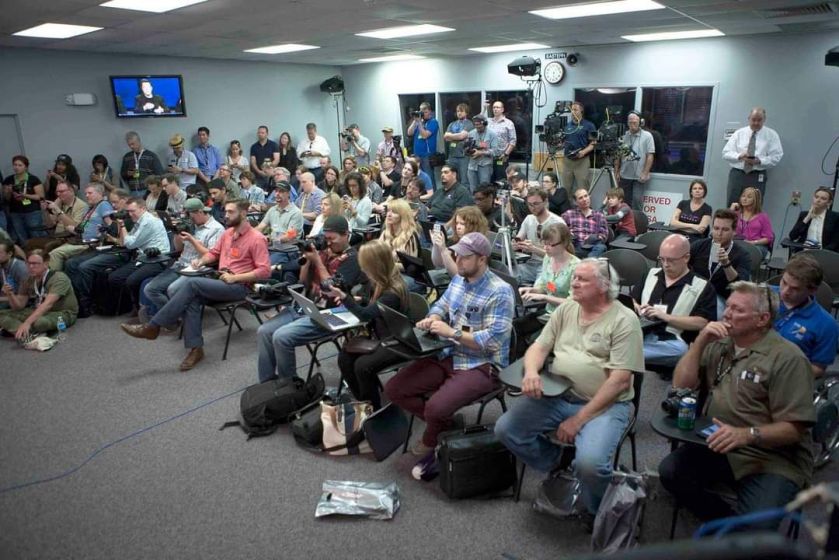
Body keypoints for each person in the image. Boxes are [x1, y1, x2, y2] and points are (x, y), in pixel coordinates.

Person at [495, 259, 644, 527]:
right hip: (559, 395)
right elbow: (539, 348)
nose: (574, 282)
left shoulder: (624, 320)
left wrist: (578, 421)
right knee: (506, 429)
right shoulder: (567, 308)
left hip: (605, 405)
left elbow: (620, 382)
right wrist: (531, 372)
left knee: (590, 464)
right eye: (574, 277)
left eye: (583, 279)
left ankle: (596, 510)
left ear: (603, 286)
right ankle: (558, 461)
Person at [659, 281, 814, 531]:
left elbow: (795, 429)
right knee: (671, 472)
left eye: (738, 310)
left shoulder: (788, 359)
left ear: (762, 319)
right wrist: (700, 342)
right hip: (717, 443)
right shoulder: (720, 344)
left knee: (758, 526)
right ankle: (727, 526)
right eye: (728, 306)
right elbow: (681, 386)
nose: (727, 314)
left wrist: (747, 435)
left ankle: (743, 535)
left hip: (770, 457)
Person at [385, 232, 515, 479]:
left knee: (435, 407)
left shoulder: (500, 291)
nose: (458, 260)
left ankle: (434, 434)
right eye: (457, 254)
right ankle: (444, 425)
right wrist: (434, 317)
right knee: (394, 389)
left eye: (465, 257)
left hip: (483, 363)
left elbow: (493, 342)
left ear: (482, 259)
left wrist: (451, 332)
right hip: (449, 352)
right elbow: (442, 305)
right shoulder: (459, 279)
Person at [121, 199, 271, 371]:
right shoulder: (228, 233)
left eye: (231, 212)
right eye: (225, 211)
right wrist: (201, 261)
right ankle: (196, 349)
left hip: (240, 286)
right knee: (192, 299)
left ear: (243, 213)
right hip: (220, 280)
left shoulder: (256, 238)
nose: (226, 215)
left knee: (192, 285)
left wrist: (236, 278)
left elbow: (265, 271)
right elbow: (214, 254)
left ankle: (153, 326)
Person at [256, 215, 362, 382]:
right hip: (306, 306)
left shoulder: (353, 258)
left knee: (281, 337)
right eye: (325, 238)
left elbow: (332, 288)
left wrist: (317, 261)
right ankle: (268, 384)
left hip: (329, 313)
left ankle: (289, 387)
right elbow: (303, 282)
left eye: (332, 238)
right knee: (264, 332)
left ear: (345, 235)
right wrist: (306, 261)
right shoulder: (322, 252)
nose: (328, 243)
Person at [335, 240, 411, 408]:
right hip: (384, 337)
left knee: (363, 366)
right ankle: (363, 401)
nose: (362, 269)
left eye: (365, 265)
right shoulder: (379, 282)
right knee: (345, 357)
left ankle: (372, 409)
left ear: (375, 265)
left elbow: (366, 315)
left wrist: (344, 297)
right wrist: (360, 299)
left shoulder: (393, 291)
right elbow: (373, 306)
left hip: (399, 342)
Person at [633, 234, 717, 366]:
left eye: (671, 260)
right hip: (641, 331)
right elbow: (632, 299)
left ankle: (626, 355)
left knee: (681, 350)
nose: (665, 265)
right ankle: (630, 355)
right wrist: (636, 307)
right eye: (662, 259)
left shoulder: (702, 285)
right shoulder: (650, 274)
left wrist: (666, 317)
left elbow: (702, 322)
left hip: (671, 340)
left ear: (686, 258)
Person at [142, 197, 225, 318]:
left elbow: (211, 255)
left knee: (172, 289)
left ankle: (170, 318)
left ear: (200, 212)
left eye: (191, 216)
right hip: (180, 265)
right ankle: (172, 317)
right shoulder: (191, 225)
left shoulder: (216, 229)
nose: (190, 220)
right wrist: (176, 233)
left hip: (198, 268)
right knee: (150, 289)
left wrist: (192, 240)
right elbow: (178, 249)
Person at [513, 222, 580, 358]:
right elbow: (546, 286)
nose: (546, 248)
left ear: (564, 243)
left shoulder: (576, 267)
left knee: (535, 342)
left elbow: (573, 303)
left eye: (551, 244)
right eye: (544, 243)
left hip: (566, 318)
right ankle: (517, 367)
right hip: (549, 313)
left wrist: (545, 298)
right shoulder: (548, 259)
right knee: (515, 328)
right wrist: (531, 290)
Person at [772, 254, 839, 377]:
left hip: (785, 378)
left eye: (795, 288)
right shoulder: (760, 296)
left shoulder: (827, 325)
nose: (785, 291)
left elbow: (818, 369)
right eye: (784, 282)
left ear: (812, 290)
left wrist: (782, 372)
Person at [105, 197, 171, 315]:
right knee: (115, 277)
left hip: (158, 258)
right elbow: (124, 241)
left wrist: (123, 226)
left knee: (131, 281)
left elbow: (130, 244)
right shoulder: (139, 221)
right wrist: (121, 226)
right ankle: (129, 306)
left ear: (143, 208)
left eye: (132, 211)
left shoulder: (148, 221)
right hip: (143, 257)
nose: (130, 214)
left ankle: (139, 309)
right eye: (128, 211)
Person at [0, 249, 77, 339]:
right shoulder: (28, 279)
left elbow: (48, 304)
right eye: (28, 263)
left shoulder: (59, 278)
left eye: (35, 263)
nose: (31, 267)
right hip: (37, 309)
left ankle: (20, 332)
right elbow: (19, 306)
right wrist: (10, 294)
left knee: (39, 323)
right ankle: (25, 334)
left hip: (62, 313)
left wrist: (27, 322)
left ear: (46, 263)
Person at [689, 209, 752, 306]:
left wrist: (726, 264)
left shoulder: (742, 255)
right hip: (694, 292)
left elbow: (739, 286)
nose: (719, 233)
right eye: (716, 228)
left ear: (734, 231)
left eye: (725, 229)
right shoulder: (699, 245)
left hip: (720, 297)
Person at [722, 107, 784, 206]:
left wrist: (760, 161)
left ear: (764, 120)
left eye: (759, 120)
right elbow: (725, 153)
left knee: (755, 205)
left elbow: (777, 156)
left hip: (757, 174)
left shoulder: (771, 135)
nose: (756, 123)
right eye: (753, 120)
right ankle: (732, 222)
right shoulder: (739, 133)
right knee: (732, 203)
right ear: (748, 119)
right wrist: (739, 156)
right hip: (738, 174)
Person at [47, 183, 114, 271]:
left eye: (90, 193)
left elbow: (111, 226)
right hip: (80, 239)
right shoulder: (89, 207)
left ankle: (56, 281)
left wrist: (102, 235)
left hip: (91, 243)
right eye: (86, 193)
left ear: (100, 193)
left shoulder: (103, 205)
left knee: (55, 253)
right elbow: (82, 227)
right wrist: (74, 229)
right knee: (50, 248)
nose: (86, 196)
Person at [515, 187, 565, 284]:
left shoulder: (557, 223)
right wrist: (515, 245)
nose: (532, 207)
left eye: (536, 204)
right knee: (507, 276)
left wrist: (533, 249)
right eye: (529, 204)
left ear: (545, 202)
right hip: (531, 265)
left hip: (551, 266)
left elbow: (559, 256)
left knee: (542, 288)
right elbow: (518, 239)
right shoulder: (529, 219)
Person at [26, 179, 88, 252]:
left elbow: (76, 227)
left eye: (61, 191)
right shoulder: (59, 201)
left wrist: (58, 211)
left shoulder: (81, 206)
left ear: (71, 191)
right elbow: (50, 224)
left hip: (69, 239)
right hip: (56, 237)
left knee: (45, 247)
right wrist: (45, 210)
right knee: (29, 243)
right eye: (57, 192)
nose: (58, 194)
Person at [431, 206, 488, 277]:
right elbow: (439, 263)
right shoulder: (455, 240)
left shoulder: (478, 245)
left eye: (462, 224)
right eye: (457, 223)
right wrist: (436, 246)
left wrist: (443, 250)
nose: (458, 227)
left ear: (474, 225)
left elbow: (459, 277)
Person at [615, 112, 655, 210]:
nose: (632, 125)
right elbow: (617, 156)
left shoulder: (647, 136)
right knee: (624, 202)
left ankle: (637, 224)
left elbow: (650, 155)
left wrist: (645, 173)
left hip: (639, 176)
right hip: (624, 175)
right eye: (630, 122)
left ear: (641, 122)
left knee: (637, 201)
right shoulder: (623, 136)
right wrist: (616, 171)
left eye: (635, 122)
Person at [3, 155, 46, 244]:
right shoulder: (8, 180)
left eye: (20, 165)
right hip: (15, 211)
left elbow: (40, 196)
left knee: (36, 233)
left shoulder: (33, 179)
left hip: (32, 211)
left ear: (25, 167)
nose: (17, 167)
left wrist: (25, 195)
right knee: (21, 234)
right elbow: (6, 198)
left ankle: (40, 250)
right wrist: (8, 192)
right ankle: (26, 252)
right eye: (15, 165)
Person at [560, 101, 597, 192]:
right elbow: (563, 142)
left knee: (583, 188)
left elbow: (593, 143)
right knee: (565, 188)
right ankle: (567, 206)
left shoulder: (589, 125)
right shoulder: (566, 125)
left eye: (575, 110)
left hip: (582, 161)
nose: (573, 112)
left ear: (581, 111)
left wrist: (583, 152)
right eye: (572, 110)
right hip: (567, 161)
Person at [789, 186, 839, 251]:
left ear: (829, 202)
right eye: (816, 197)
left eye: (823, 199)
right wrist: (807, 218)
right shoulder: (804, 215)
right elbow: (792, 236)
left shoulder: (835, 217)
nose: (818, 200)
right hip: (804, 254)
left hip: (824, 253)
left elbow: (835, 243)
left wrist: (822, 253)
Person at [561, 188, 608, 257]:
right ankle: (588, 263)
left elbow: (604, 234)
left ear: (589, 197)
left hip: (592, 245)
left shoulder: (599, 215)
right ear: (576, 202)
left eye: (586, 196)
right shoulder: (569, 214)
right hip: (575, 246)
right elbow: (559, 228)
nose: (584, 199)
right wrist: (568, 233)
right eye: (580, 198)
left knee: (601, 247)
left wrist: (594, 237)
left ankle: (588, 262)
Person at [731, 186, 774, 259]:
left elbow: (768, 238)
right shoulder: (736, 214)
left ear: (755, 200)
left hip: (756, 246)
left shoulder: (763, 217)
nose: (745, 199)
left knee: (746, 252)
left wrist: (753, 242)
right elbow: (726, 226)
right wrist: (731, 210)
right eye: (743, 196)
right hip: (738, 243)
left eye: (749, 197)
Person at [380, 199, 421, 270]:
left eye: (394, 212)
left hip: (404, 274)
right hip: (386, 270)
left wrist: (388, 265)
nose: (389, 215)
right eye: (388, 211)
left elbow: (411, 266)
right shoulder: (385, 233)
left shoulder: (411, 235)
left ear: (403, 215)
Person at [120, 131, 164, 197]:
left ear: (139, 141)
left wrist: (154, 187)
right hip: (133, 191)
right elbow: (122, 174)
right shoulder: (127, 157)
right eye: (129, 145)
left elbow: (160, 174)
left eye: (133, 144)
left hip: (149, 191)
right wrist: (128, 174)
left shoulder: (151, 156)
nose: (131, 146)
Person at [407, 102, 439, 190]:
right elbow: (409, 133)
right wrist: (415, 121)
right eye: (421, 111)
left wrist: (420, 124)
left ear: (430, 111)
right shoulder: (418, 122)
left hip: (427, 155)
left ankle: (432, 196)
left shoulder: (433, 122)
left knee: (429, 177)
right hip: (417, 155)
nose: (422, 113)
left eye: (425, 110)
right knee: (418, 177)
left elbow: (425, 135)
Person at [444, 103, 475, 190]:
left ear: (466, 112)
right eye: (457, 111)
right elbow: (446, 137)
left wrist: (452, 136)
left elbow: (462, 136)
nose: (459, 113)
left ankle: (464, 200)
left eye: (461, 111)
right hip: (452, 156)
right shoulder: (452, 124)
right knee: (452, 179)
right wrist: (457, 136)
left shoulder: (469, 124)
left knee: (464, 180)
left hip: (463, 156)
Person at [466, 114, 501, 190]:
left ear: (485, 124)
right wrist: (468, 151)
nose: (477, 127)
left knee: (484, 189)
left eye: (479, 125)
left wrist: (481, 153)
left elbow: (496, 151)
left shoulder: (492, 134)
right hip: (472, 166)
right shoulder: (471, 133)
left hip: (485, 166)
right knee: (473, 189)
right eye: (475, 125)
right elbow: (467, 147)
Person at [486, 100, 517, 182]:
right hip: (488, 157)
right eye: (494, 107)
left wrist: (506, 154)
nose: (495, 109)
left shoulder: (509, 123)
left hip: (501, 157)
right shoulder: (489, 122)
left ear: (502, 109)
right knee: (488, 181)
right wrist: (484, 109)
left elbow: (513, 141)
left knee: (501, 181)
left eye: (498, 107)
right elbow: (478, 120)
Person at [0, 239, 29, 307]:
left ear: (10, 254)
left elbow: (21, 300)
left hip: (21, 303)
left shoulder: (21, 269)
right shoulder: (2, 266)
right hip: (6, 299)